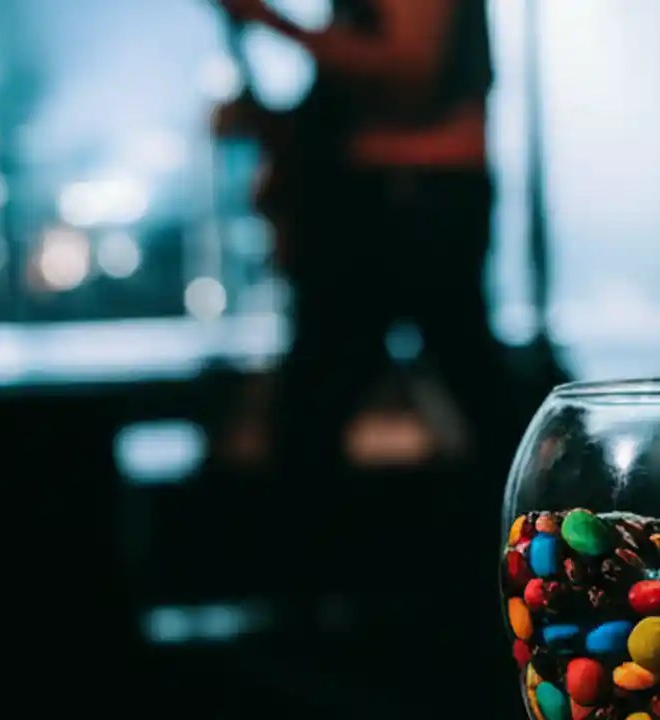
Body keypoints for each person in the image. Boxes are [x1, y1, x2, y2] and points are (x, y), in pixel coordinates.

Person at [216, 0, 510, 484]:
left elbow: (409, 76)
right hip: (404, 194)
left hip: (410, 195)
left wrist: (272, 23)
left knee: (319, 403)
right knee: (325, 401)